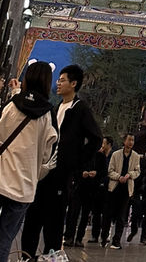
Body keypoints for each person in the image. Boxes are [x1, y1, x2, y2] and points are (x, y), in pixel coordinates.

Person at [22, 64, 102, 259]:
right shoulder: (54, 107)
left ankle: (50, 257)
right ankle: (26, 256)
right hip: (42, 172)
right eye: (57, 79)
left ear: (74, 84)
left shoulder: (80, 108)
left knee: (54, 223)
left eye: (62, 80)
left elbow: (96, 139)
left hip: (60, 176)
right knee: (32, 219)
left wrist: (74, 163)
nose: (58, 83)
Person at [0, 62, 58, 262]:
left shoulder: (12, 105)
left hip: (0, 178)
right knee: (5, 238)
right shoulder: (48, 116)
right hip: (23, 188)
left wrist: (15, 91)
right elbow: (45, 156)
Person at [101, 132, 141, 249]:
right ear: (124, 141)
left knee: (121, 216)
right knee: (108, 215)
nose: (131, 143)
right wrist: (119, 177)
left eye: (133, 140)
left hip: (126, 189)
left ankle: (116, 240)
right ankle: (104, 237)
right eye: (129, 140)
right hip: (114, 188)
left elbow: (137, 171)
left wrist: (129, 175)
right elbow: (110, 170)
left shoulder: (136, 156)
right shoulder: (116, 154)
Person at [64, 139, 104, 247]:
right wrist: (82, 173)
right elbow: (74, 170)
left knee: (85, 215)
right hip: (79, 187)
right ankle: (69, 236)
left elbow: (103, 172)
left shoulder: (100, 157)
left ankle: (79, 238)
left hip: (91, 190)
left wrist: (96, 173)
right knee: (74, 213)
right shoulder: (81, 154)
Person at [87, 137, 112, 243]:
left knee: (107, 214)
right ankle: (95, 235)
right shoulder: (99, 155)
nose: (102, 145)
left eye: (104, 143)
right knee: (96, 212)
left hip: (109, 188)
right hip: (97, 187)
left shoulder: (113, 155)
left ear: (109, 144)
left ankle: (105, 235)